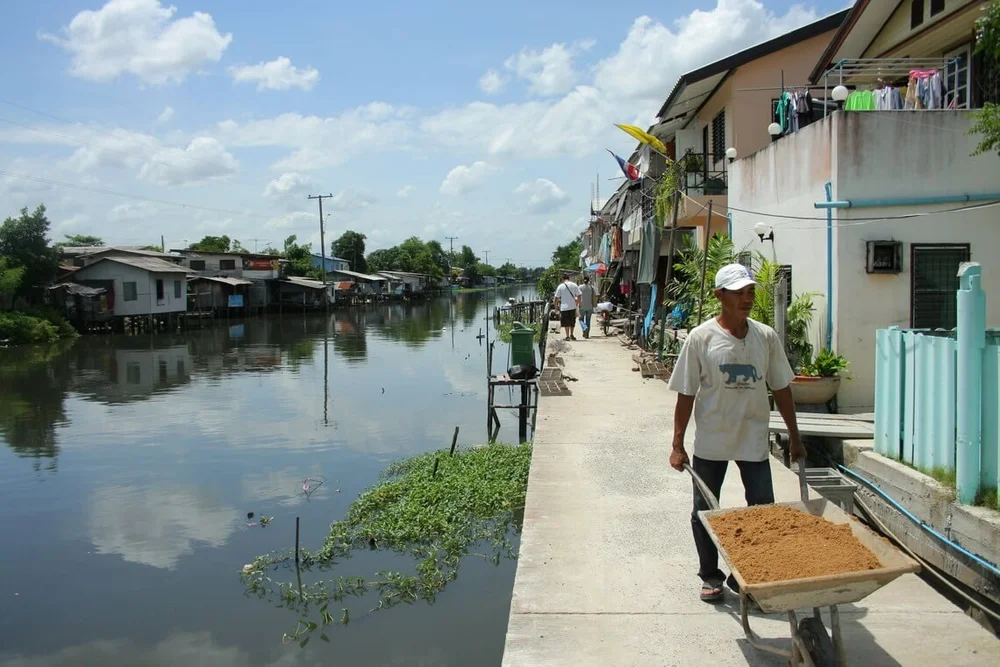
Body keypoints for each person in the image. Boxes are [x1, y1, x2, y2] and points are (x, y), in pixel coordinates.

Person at [667, 263, 804, 603]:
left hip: (753, 437)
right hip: (713, 438)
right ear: (719, 296)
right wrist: (677, 444)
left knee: (762, 510)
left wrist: (795, 436)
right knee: (705, 510)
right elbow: (686, 393)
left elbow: (782, 388)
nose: (747, 299)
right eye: (739, 292)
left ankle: (747, 574)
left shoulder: (765, 337)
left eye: (750, 292)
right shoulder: (701, 339)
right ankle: (710, 576)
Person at [553, 272, 582, 341]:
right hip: (573, 306)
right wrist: (579, 303)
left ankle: (567, 336)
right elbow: (579, 295)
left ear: (563, 279)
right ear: (568, 278)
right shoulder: (574, 285)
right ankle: (572, 334)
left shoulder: (560, 286)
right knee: (572, 321)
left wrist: (556, 307)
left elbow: (556, 298)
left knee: (566, 322)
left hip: (564, 307)